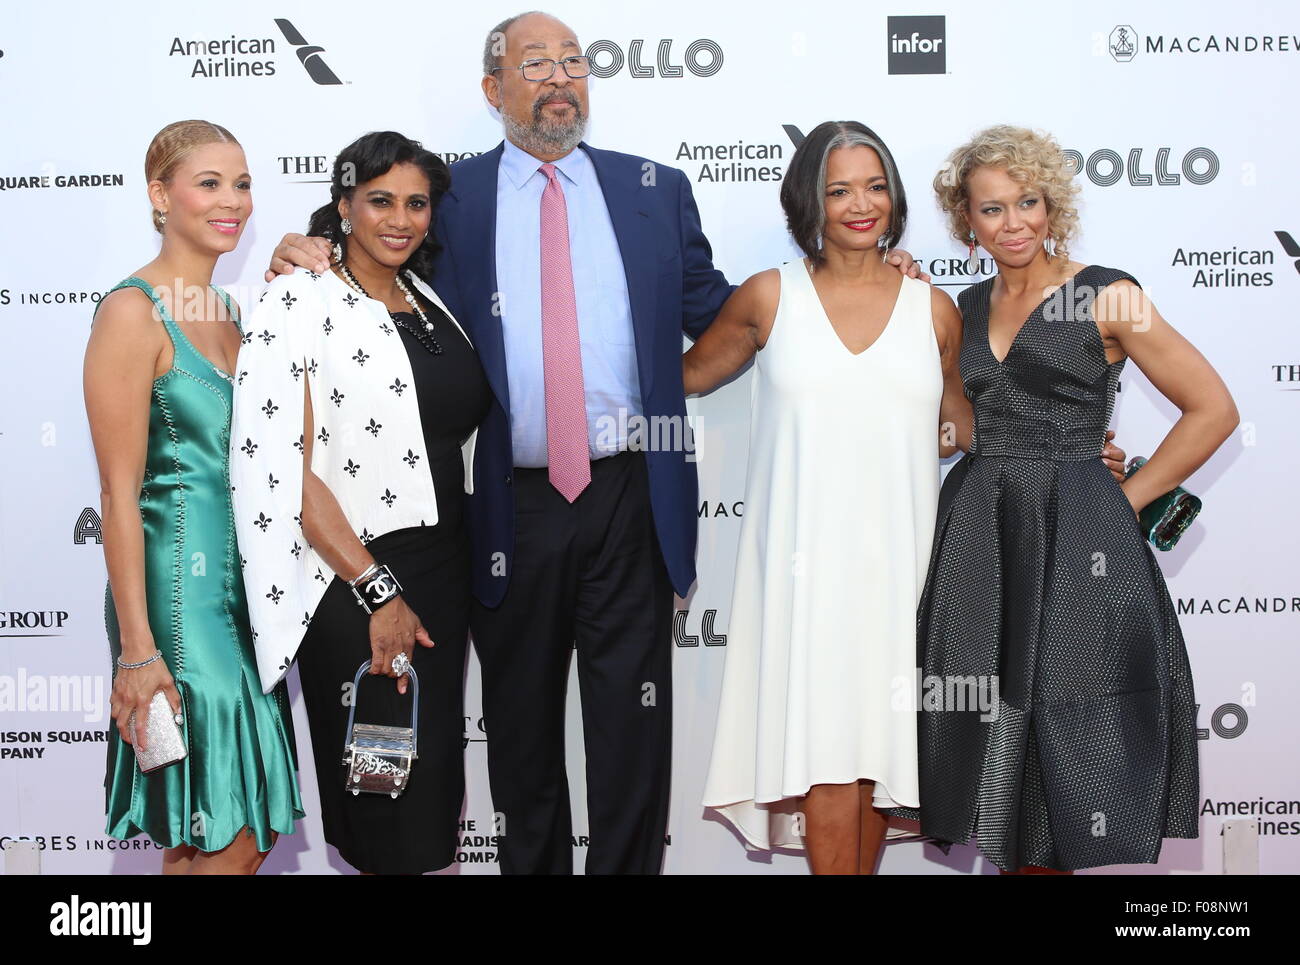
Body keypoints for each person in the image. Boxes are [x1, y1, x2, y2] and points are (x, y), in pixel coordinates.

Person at [264, 12, 923, 875]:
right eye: (534, 63)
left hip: (629, 498)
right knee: (523, 736)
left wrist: (874, 279)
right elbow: (378, 254)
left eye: (573, 60)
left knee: (631, 737)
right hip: (507, 505)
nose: (558, 76)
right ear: (492, 89)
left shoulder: (654, 188)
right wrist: (305, 246)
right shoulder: (447, 197)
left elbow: (727, 313)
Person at [906, 125, 1238, 873]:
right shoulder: (964, 303)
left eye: (1028, 202)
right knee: (995, 743)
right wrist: (901, 308)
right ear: (967, 223)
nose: (1013, 221)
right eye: (991, 210)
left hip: (1080, 536)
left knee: (1066, 734)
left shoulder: (1109, 294)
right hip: (981, 535)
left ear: (1053, 205)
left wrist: (1125, 500)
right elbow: (956, 428)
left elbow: (1213, 408)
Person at [687, 121, 963, 875]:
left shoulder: (933, 309)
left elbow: (970, 427)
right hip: (806, 582)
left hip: (904, 576)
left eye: (875, 186)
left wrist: (1079, 447)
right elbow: (681, 379)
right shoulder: (767, 298)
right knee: (832, 761)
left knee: (880, 758)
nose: (860, 204)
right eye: (838, 189)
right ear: (809, 199)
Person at [231, 131, 489, 875]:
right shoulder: (298, 298)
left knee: (427, 786)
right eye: (380, 200)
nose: (401, 219)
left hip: (443, 573)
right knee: (385, 794)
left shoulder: (427, 295)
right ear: (342, 205)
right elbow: (288, 468)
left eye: (416, 203)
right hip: (355, 579)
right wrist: (378, 591)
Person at [85, 119, 303, 874]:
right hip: (176, 597)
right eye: (209, 183)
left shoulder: (231, 316)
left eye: (241, 183)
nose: (233, 201)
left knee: (209, 827)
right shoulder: (131, 311)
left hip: (240, 599)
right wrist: (138, 648)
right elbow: (117, 493)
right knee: (230, 832)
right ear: (159, 194)